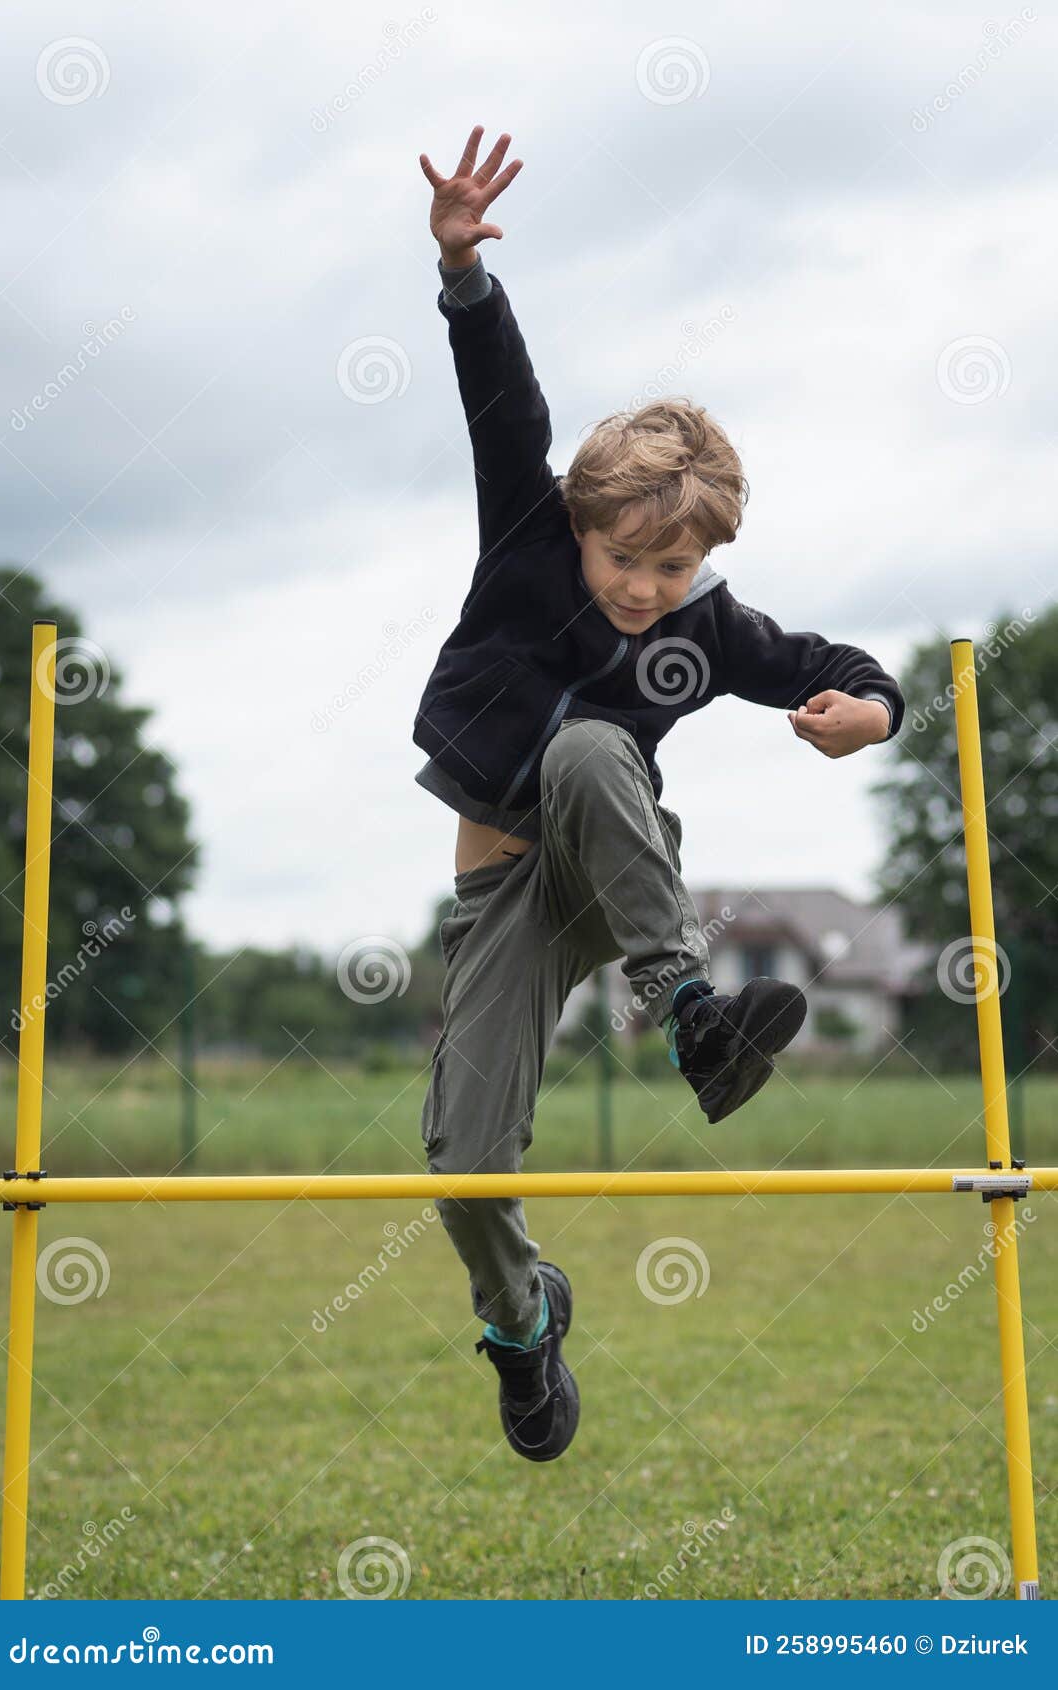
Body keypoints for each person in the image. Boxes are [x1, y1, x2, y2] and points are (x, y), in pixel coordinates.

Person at [413, 125, 905, 1463]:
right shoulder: (527, 538)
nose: (643, 586)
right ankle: (524, 1321)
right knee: (460, 1170)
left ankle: (691, 1016)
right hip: (506, 894)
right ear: (578, 524)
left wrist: (870, 711)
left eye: (672, 566)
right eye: (625, 556)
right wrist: (464, 271)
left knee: (588, 755)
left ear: (705, 556)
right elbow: (503, 403)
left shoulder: (709, 622)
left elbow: (834, 665)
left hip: (617, 865)